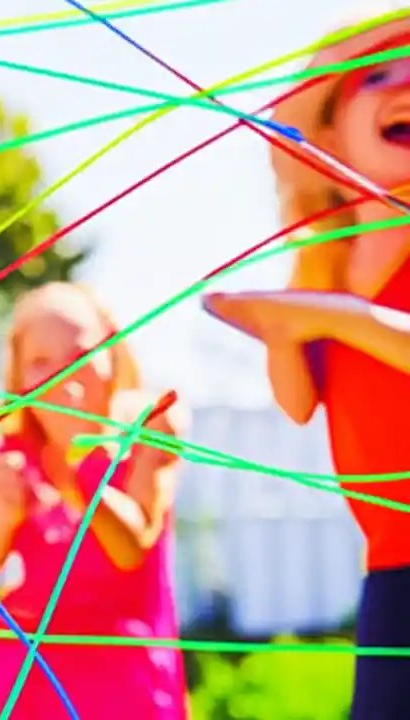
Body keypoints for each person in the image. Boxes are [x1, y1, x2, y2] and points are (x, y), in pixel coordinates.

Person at [240, 6, 410, 717]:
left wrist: (339, 319)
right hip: (391, 555)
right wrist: (281, 332)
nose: (403, 84)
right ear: (330, 138)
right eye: (376, 76)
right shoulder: (326, 264)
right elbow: (298, 401)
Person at [0, 283, 188, 720]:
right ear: (19, 375)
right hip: (32, 666)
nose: (61, 377)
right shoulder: (4, 445)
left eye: (79, 356)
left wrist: (79, 463)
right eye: (39, 362)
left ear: (112, 354)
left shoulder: (150, 429)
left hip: (125, 675)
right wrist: (4, 518)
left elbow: (130, 547)